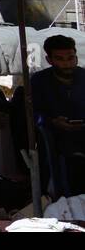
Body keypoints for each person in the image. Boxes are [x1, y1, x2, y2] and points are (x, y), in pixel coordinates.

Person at [30, 35, 85, 197]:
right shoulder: (40, 81)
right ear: (49, 60)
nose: (67, 63)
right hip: (55, 137)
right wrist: (53, 122)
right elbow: (33, 113)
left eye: (71, 58)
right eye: (60, 59)